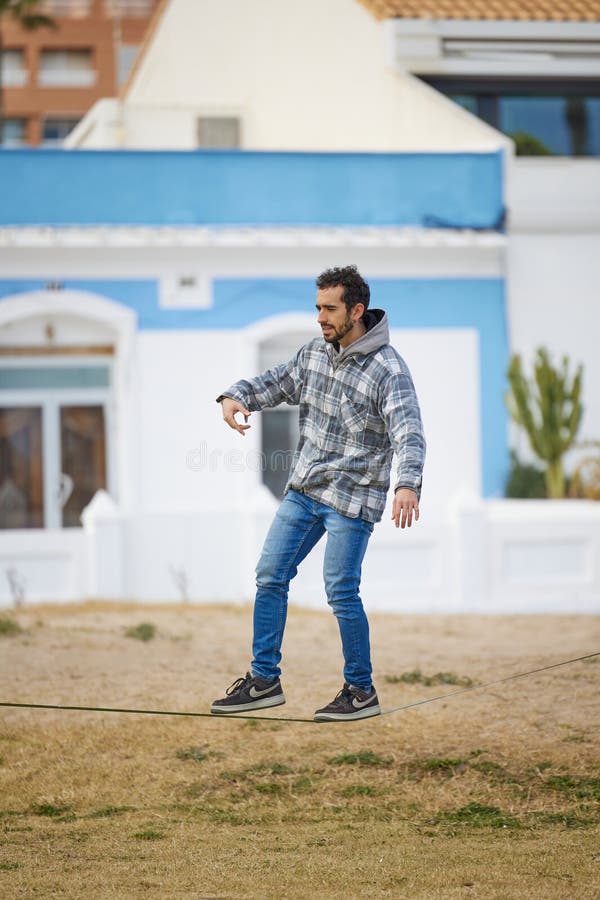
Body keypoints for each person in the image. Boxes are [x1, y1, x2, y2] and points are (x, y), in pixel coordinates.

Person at [211, 265, 426, 722]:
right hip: (306, 490)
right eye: (318, 308)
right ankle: (263, 680)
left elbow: (408, 431)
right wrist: (236, 395)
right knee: (270, 574)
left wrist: (407, 484)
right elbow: (276, 382)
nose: (320, 318)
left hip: (352, 498)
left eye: (329, 309)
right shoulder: (314, 353)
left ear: (357, 310)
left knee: (341, 591)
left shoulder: (388, 369)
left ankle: (361, 690)